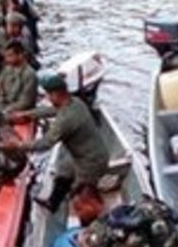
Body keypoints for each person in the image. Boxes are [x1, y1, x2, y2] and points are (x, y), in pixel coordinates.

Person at [17, 73, 110, 214]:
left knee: (82, 202)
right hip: (92, 154)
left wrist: (18, 145)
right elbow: (51, 111)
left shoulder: (65, 120)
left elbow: (45, 143)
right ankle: (52, 203)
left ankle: (92, 217)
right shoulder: (75, 102)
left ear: (56, 94)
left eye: (49, 95)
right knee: (64, 171)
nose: (48, 98)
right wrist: (28, 114)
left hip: (91, 164)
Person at [0, 39, 38, 113]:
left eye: (10, 56)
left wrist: (7, 109)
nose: (7, 59)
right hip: (4, 107)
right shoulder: (6, 69)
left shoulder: (30, 74)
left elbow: (26, 102)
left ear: (20, 55)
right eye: (6, 56)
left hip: (22, 111)